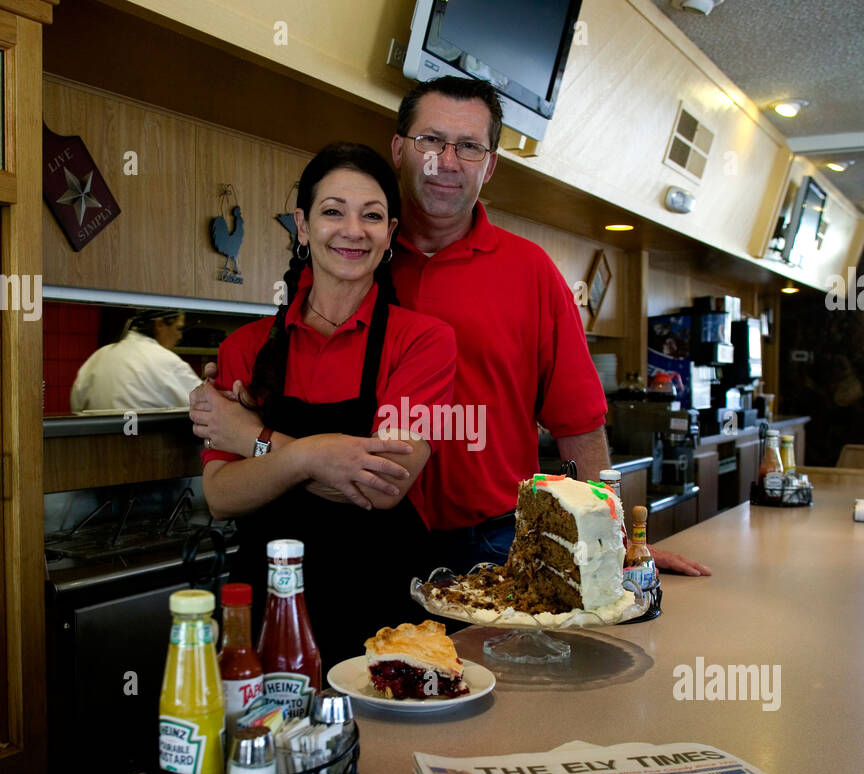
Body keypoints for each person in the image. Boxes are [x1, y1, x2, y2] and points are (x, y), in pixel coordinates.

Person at [387, 76, 710, 577]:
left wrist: (614, 544)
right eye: (430, 140)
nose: (446, 161)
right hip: (372, 538)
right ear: (399, 149)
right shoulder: (359, 261)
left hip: (495, 544)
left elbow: (578, 425)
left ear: (490, 165)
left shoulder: (531, 271)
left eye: (469, 147)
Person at [191, 142, 458, 668]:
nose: (353, 230)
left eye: (372, 216)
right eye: (333, 211)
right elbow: (222, 495)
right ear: (303, 225)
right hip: (271, 609)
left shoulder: (425, 341)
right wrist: (315, 457)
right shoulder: (243, 348)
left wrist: (256, 441)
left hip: (386, 615)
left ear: (391, 234)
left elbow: (382, 486)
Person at [70, 309, 201, 411]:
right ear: (159, 324)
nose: (180, 336)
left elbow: (76, 406)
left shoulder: (98, 356)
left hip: (95, 444)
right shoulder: (166, 362)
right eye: (178, 328)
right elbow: (207, 407)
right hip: (145, 443)